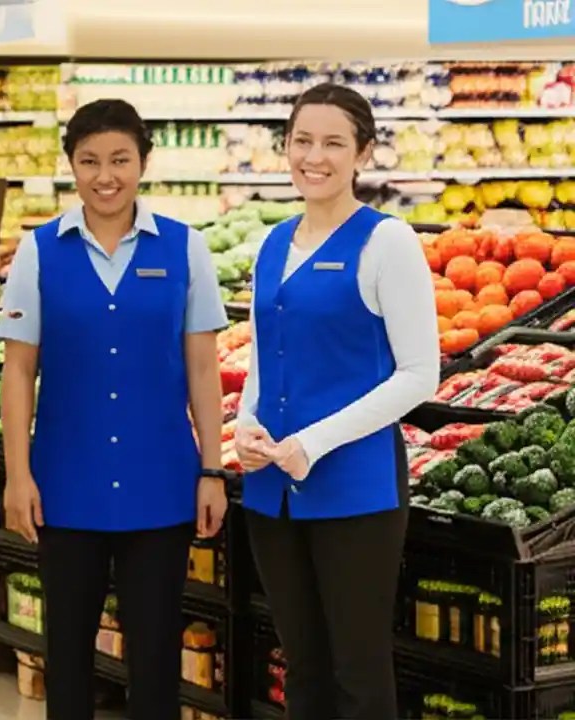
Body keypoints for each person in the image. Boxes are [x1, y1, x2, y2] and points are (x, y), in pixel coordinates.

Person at [0, 98, 230, 720]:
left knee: (154, 655)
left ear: (144, 163)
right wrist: (18, 475)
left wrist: (213, 470)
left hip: (162, 482)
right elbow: (18, 371)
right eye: (90, 160)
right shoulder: (39, 252)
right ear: (71, 165)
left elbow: (204, 368)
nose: (106, 175)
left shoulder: (186, 249)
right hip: (65, 483)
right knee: (67, 654)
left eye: (121, 160)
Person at [234, 83, 438, 720]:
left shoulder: (387, 242)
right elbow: (263, 361)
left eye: (332, 143)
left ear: (363, 153)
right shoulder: (273, 244)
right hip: (273, 490)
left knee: (358, 669)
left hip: (356, 486)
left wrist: (312, 443)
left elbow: (418, 375)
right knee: (302, 666)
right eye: (301, 141)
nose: (313, 157)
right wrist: (244, 425)